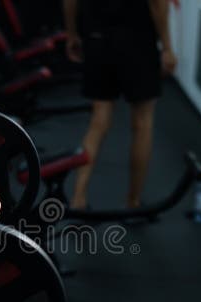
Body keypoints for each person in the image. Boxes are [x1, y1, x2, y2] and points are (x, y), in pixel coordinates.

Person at [62, 0, 177, 209]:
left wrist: (72, 34)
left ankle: (78, 198)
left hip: (98, 40)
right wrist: (167, 48)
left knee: (98, 122)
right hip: (138, 43)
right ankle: (133, 202)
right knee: (142, 123)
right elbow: (158, 3)